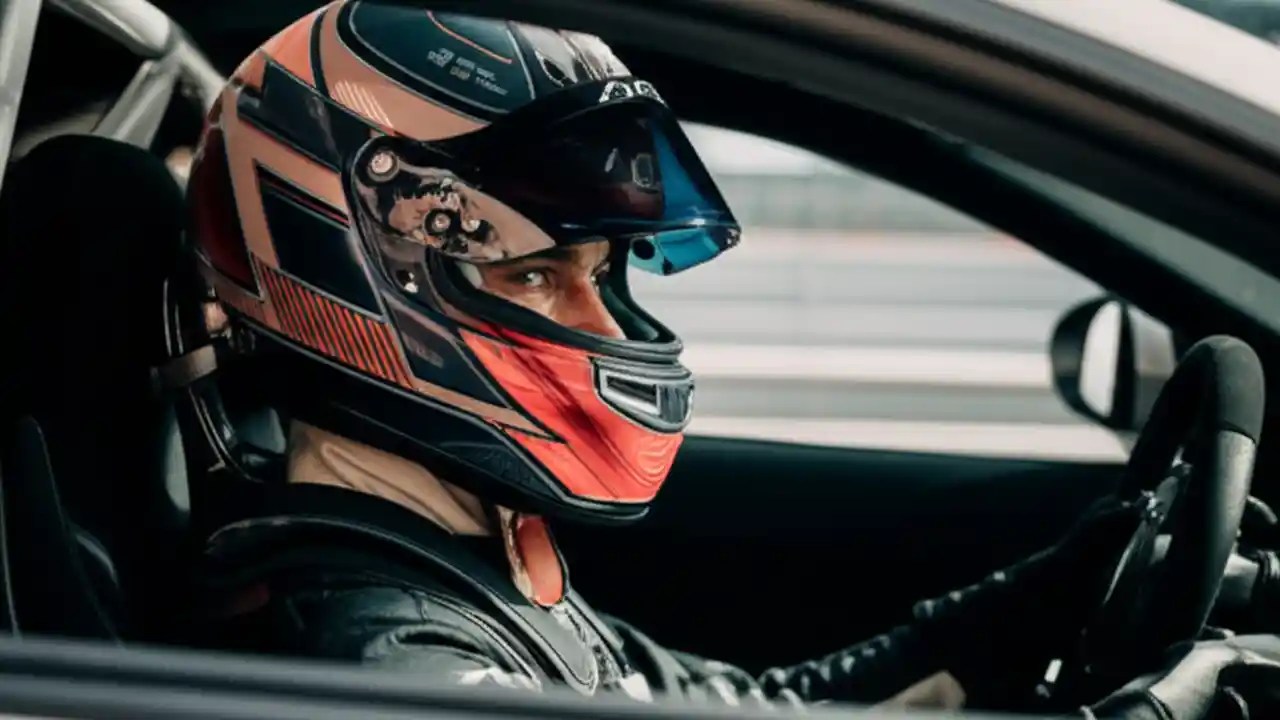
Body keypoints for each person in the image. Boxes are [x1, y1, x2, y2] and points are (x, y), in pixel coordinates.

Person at [172, 2, 1280, 716]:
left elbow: (751, 707)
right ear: (349, 274)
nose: (604, 329)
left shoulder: (462, 552)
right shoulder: (389, 662)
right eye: (534, 277)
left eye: (608, 277)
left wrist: (1038, 599)